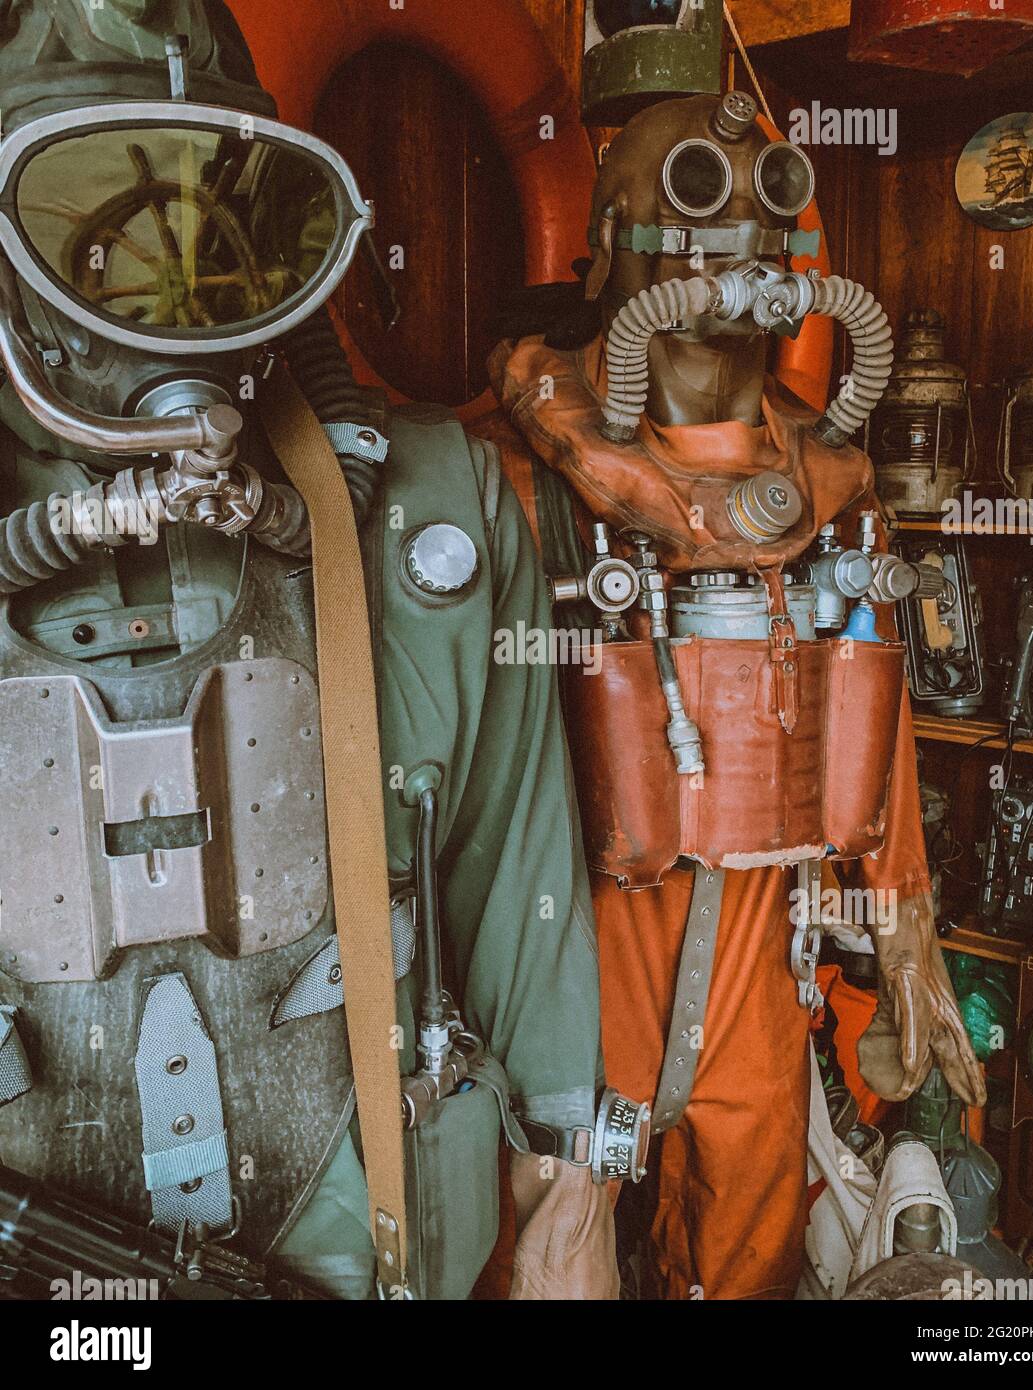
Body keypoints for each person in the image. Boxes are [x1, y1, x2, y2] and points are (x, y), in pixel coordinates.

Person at [0, 0, 619, 1301]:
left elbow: (514, 862)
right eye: (103, 224)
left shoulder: (433, 509)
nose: (168, 275)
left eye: (211, 219)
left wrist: (572, 1182)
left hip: (366, 1223)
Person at [484, 89, 986, 1300]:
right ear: (609, 243)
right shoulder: (506, 473)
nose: (732, 238)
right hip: (572, 949)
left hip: (760, 937)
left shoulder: (832, 488)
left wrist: (902, 916)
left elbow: (875, 697)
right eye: (694, 195)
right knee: (541, 1252)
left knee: (749, 1248)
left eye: (765, 197)